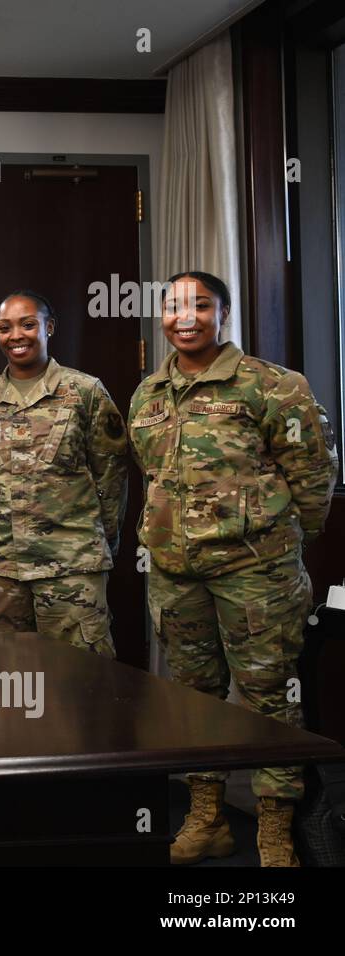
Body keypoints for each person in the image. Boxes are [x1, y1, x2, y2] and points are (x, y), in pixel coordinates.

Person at [130, 272, 337, 867]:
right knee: (194, 698)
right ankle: (207, 816)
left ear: (224, 313)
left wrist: (280, 545)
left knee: (268, 696)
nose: (185, 317)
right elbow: (149, 473)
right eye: (173, 306)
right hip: (176, 573)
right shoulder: (149, 393)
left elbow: (312, 478)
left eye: (199, 305)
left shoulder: (272, 386)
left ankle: (275, 828)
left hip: (257, 574)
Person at [0, 290, 128, 657]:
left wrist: (100, 542)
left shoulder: (84, 391)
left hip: (71, 561)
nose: (15, 335)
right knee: (2, 682)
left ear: (49, 327)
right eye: (5, 328)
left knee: (79, 684)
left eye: (27, 324)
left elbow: (111, 477)